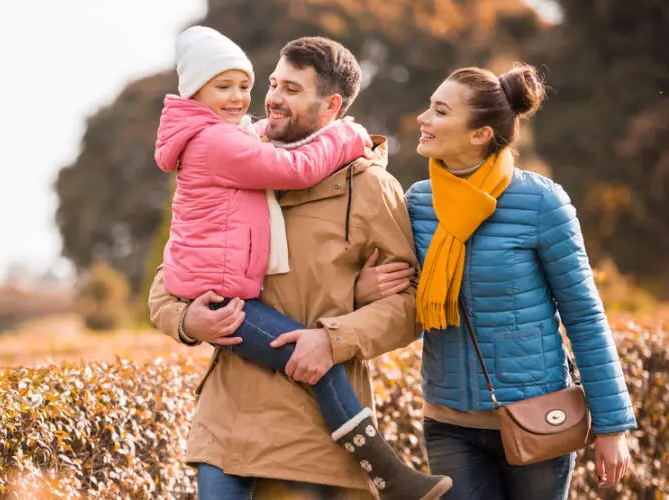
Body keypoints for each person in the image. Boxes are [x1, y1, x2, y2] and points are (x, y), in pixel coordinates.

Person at [154, 25, 451, 500]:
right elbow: (174, 273)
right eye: (272, 83)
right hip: (224, 431)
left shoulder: (370, 187)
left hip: (313, 445)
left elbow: (414, 303)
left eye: (291, 90)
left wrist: (335, 338)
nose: (270, 98)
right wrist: (188, 320)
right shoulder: (238, 159)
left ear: (332, 106)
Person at [356, 63, 637, 499]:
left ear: (480, 134)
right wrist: (364, 289)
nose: (423, 120)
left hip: (538, 416)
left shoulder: (541, 202)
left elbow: (583, 315)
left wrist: (612, 425)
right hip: (449, 422)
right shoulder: (417, 203)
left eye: (440, 111)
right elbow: (405, 294)